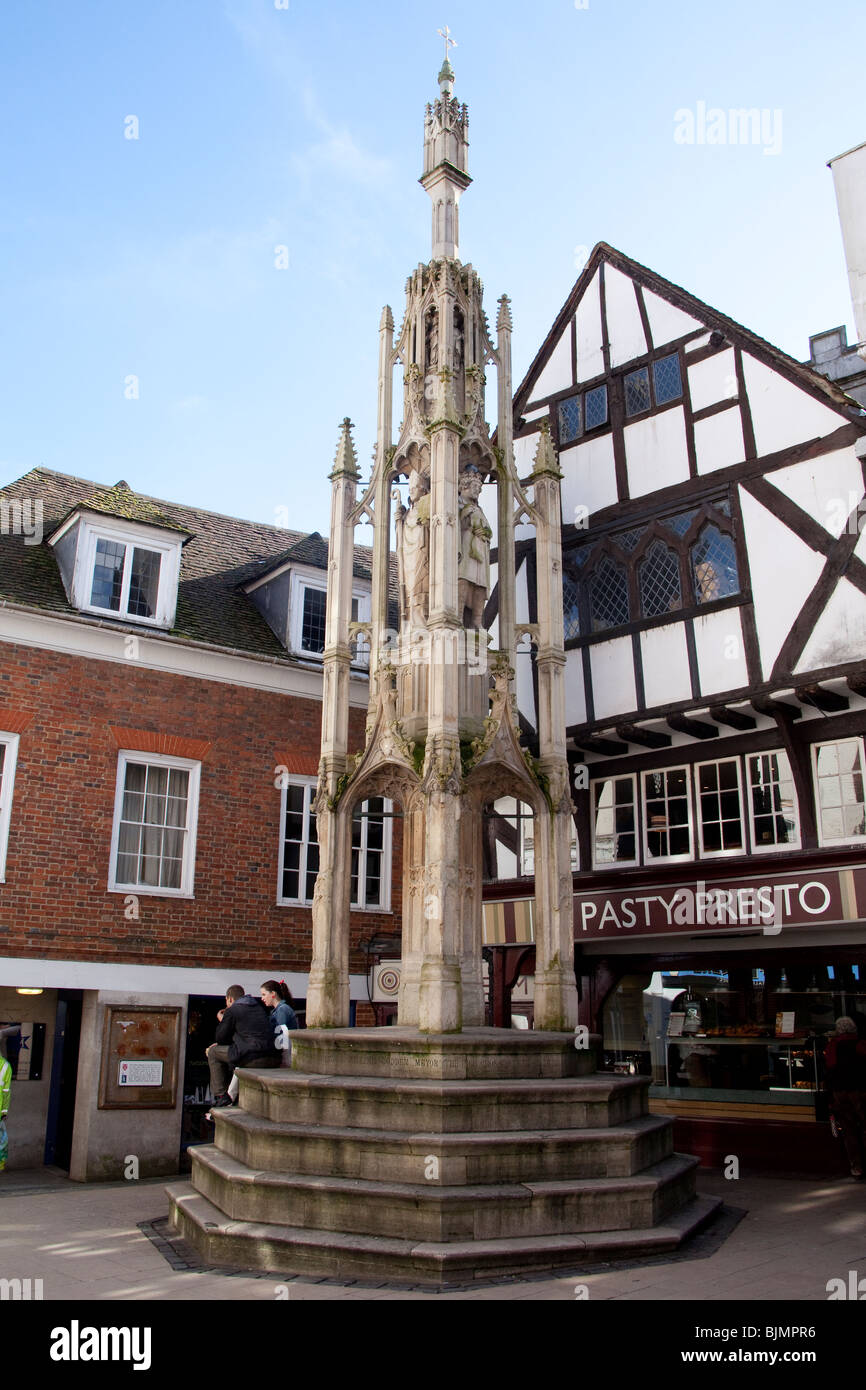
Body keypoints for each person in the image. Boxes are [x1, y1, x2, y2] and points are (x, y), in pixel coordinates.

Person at [206, 984, 279, 1110]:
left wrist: (222, 1019)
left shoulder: (233, 1010)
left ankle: (221, 1096)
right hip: (272, 1057)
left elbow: (221, 1038)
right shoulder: (258, 1007)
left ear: (230, 999)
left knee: (213, 1052)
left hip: (252, 1058)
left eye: (227, 1001)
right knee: (232, 1052)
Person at [824, 1016, 866, 1178]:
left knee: (849, 1131)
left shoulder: (832, 1046)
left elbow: (829, 1069)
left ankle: (856, 1167)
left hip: (840, 1092)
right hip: (860, 1092)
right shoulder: (861, 1044)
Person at [261, 979, 299, 1069]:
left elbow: (281, 1034)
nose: (262, 998)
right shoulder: (281, 1009)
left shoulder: (282, 1010)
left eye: (264, 994)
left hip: (286, 1053)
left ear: (273, 994)